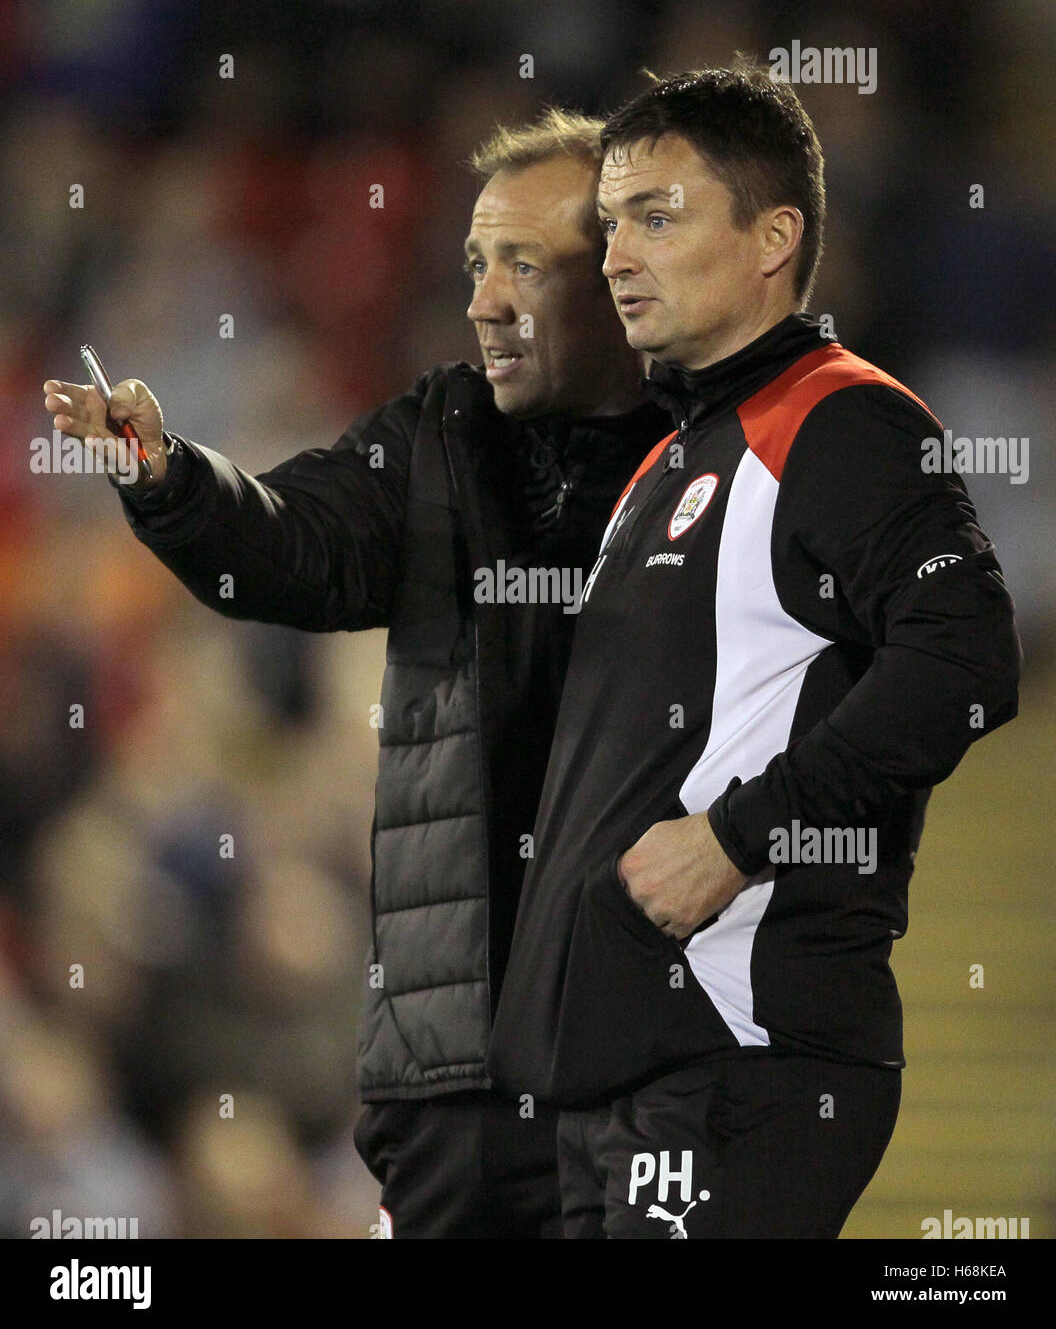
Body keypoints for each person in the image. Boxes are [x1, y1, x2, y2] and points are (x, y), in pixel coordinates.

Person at [41, 110, 671, 1239]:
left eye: (520, 264)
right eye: (477, 263)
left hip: (640, 1050)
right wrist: (171, 474)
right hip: (447, 1061)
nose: (484, 298)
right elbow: (286, 542)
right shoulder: (436, 439)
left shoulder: (724, 459)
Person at [488, 65, 1022, 1239]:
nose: (616, 256)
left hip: (735, 1054)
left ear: (775, 236)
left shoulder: (841, 419)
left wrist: (737, 838)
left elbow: (967, 666)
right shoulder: (670, 461)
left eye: (658, 217)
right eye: (610, 223)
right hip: (610, 1085)